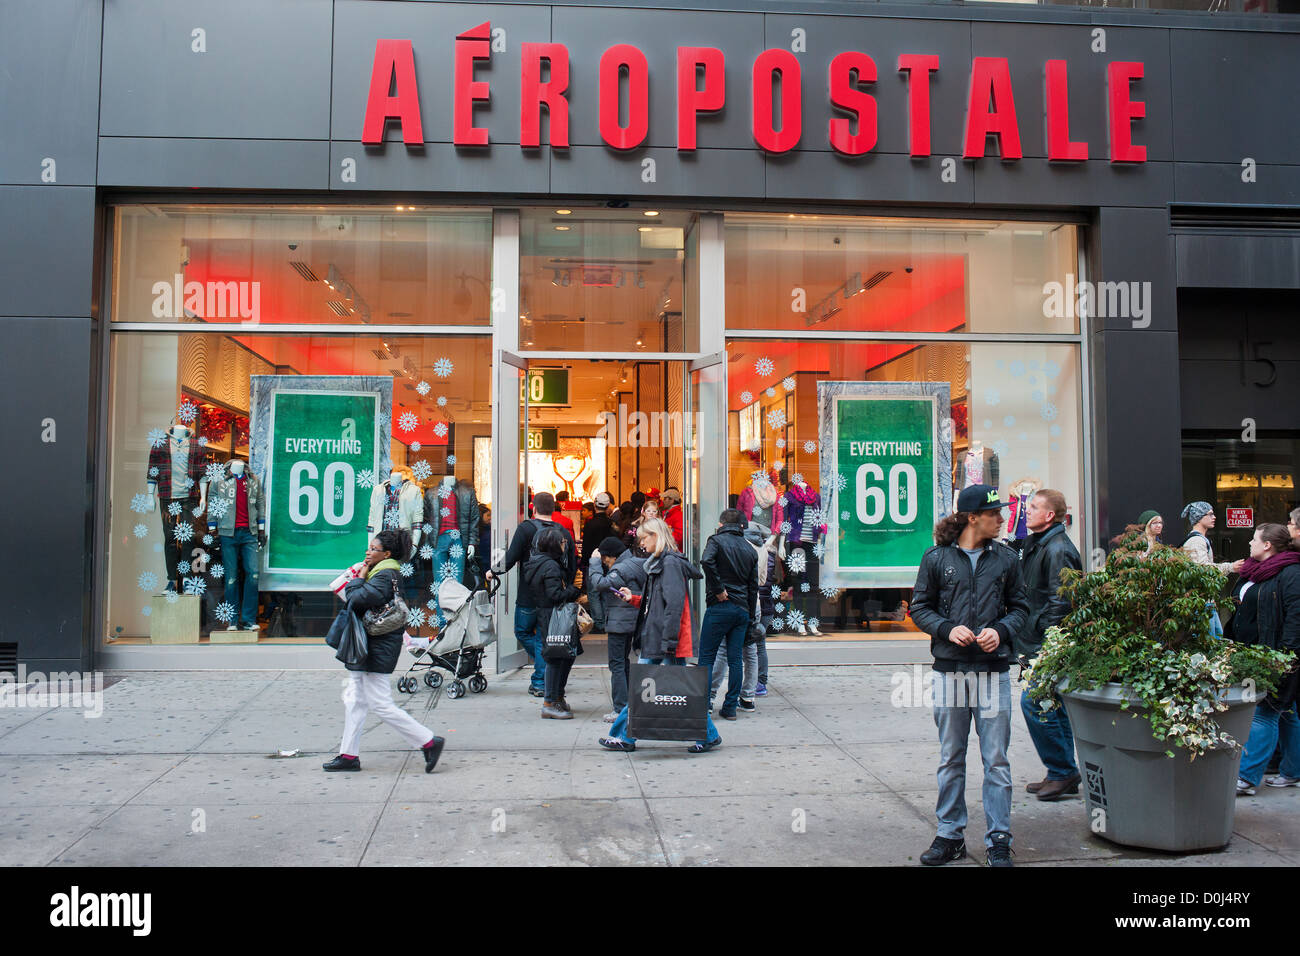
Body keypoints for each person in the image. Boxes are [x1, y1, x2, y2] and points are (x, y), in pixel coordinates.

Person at [909, 485, 1029, 867]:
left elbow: (1022, 607)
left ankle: (998, 838)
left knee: (996, 760)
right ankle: (949, 835)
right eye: (995, 512)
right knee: (951, 757)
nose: (1002, 517)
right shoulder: (936, 558)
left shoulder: (1008, 559)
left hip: (993, 673)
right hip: (951, 672)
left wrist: (1003, 630)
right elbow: (920, 608)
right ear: (973, 517)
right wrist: (946, 629)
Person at [324, 528, 445, 774]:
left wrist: (358, 578)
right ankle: (348, 754)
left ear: (387, 553)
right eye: (369, 548)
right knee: (356, 700)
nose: (368, 552)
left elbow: (357, 599)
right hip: (371, 647)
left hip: (376, 649)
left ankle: (428, 741)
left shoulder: (383, 575)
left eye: (373, 549)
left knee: (379, 703)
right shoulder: (382, 573)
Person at [599, 518, 721, 753]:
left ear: (656, 535)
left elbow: (673, 606)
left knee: (643, 688)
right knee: (678, 688)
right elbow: (658, 604)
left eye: (645, 538)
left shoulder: (669, 564)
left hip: (663, 639)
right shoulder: (662, 562)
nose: (642, 543)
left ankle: (624, 737)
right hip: (663, 638)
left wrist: (668, 642)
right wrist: (633, 598)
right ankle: (708, 735)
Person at [1014, 489, 1083, 801]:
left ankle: (1061, 770)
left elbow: (1062, 601)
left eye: (1034, 507)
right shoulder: (1038, 543)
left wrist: (1046, 643)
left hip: (1049, 644)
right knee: (1053, 706)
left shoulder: (1058, 549)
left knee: (1034, 702)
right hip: (1039, 641)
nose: (1027, 511)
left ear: (1050, 515)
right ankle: (1062, 772)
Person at [1230, 523, 1300, 794]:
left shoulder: (1290, 572)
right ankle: (1292, 771)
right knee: (1287, 713)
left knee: (1265, 712)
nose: (1249, 543)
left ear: (1267, 545)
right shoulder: (1252, 571)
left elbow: (1295, 616)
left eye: (1254, 539)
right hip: (1251, 652)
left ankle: (1246, 778)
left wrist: (1285, 656)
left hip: (1276, 655)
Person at [486, 491, 576, 698]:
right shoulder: (563, 530)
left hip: (528, 592)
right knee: (543, 637)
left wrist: (493, 571)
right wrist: (566, 588)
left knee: (522, 631)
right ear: (553, 509)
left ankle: (540, 680)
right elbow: (572, 564)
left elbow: (511, 557)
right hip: (553, 594)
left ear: (533, 508)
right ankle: (544, 674)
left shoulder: (526, 528)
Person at [699, 509, 759, 720]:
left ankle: (704, 703)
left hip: (720, 606)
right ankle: (731, 706)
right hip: (741, 609)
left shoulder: (715, 541)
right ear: (741, 526)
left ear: (721, 522)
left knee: (706, 656)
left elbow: (706, 561)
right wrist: (750, 617)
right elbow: (753, 588)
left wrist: (718, 588)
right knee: (735, 660)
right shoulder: (750, 549)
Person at [523, 525, 584, 719]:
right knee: (558, 658)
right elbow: (554, 595)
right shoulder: (550, 565)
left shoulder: (539, 562)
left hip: (547, 615)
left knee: (561, 656)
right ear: (554, 545)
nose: (565, 545)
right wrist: (575, 590)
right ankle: (550, 701)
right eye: (563, 542)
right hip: (554, 616)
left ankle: (556, 697)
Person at [586, 535, 647, 721]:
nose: (605, 562)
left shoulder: (622, 567)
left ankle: (620, 708)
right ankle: (627, 703)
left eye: (605, 558)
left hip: (619, 622)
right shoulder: (635, 562)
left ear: (611, 555)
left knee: (617, 664)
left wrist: (594, 563)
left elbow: (599, 584)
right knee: (624, 662)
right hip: (630, 620)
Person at [581, 493, 616, 632]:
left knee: (593, 593)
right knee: (607, 591)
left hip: (593, 561)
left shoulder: (590, 524)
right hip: (608, 562)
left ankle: (599, 622)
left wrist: (584, 562)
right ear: (608, 506)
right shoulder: (611, 524)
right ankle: (607, 620)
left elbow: (586, 545)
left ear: (595, 505)